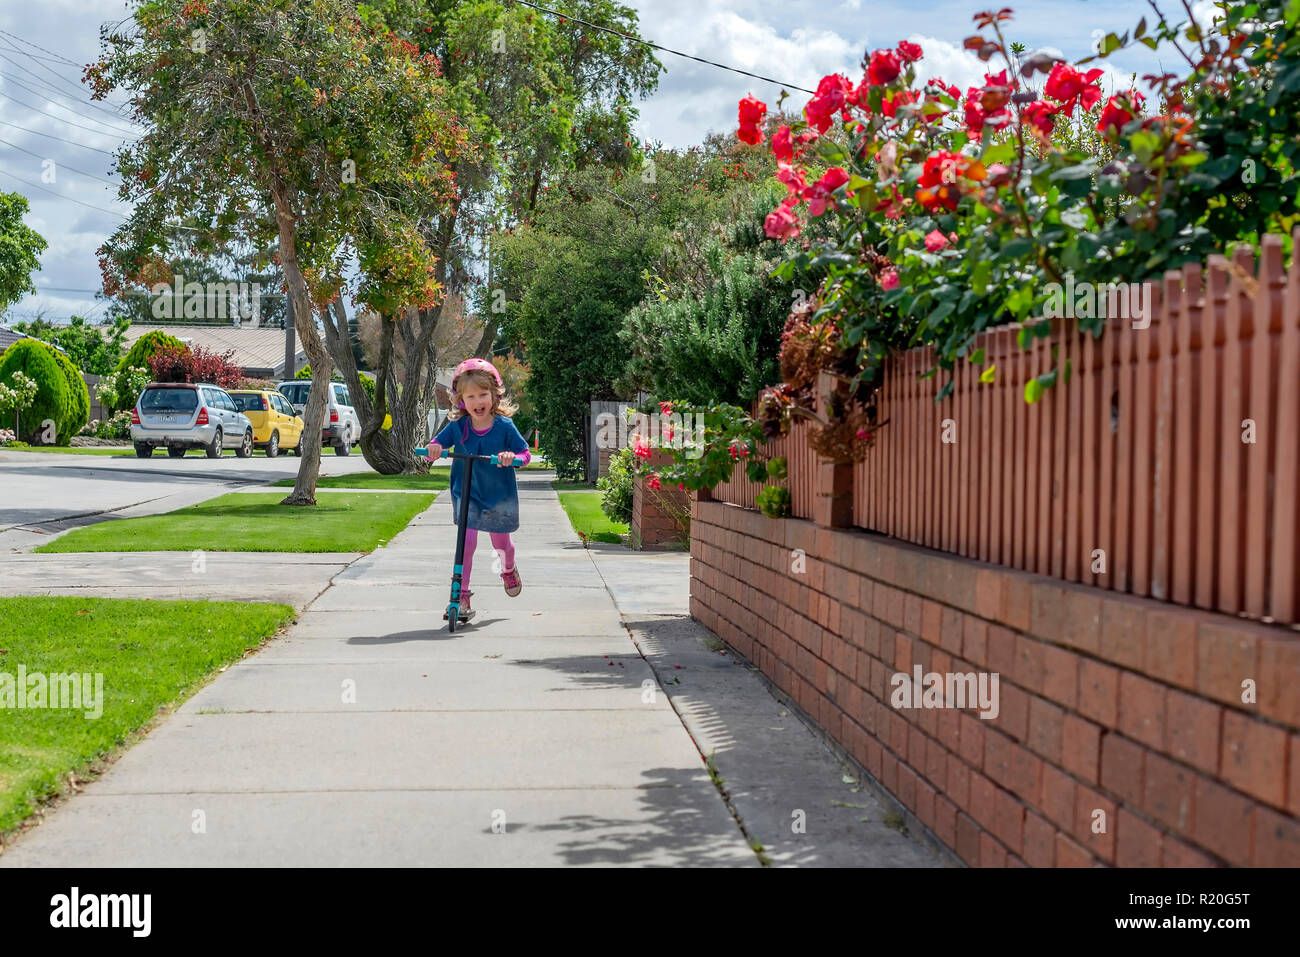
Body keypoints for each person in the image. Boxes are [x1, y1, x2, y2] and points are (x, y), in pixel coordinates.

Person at [424, 357, 530, 621]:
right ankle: (460, 596)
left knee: (501, 543)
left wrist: (512, 458)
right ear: (461, 400)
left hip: (498, 494)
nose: (477, 401)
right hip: (467, 491)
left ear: (494, 396)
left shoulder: (504, 427)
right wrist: (434, 449)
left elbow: (524, 453)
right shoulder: (458, 427)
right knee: (466, 542)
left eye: (483, 394)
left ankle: (508, 569)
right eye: (470, 396)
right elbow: (433, 448)